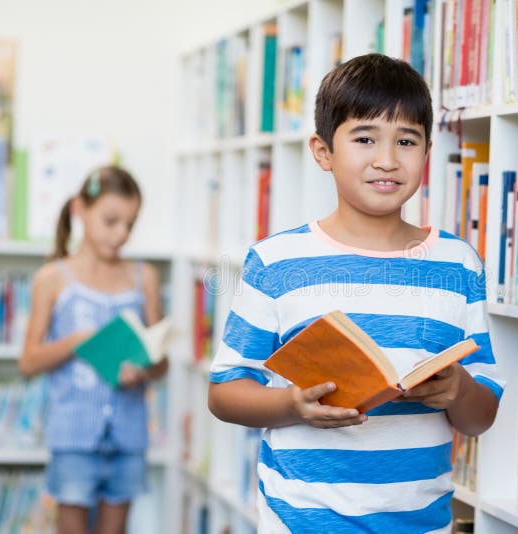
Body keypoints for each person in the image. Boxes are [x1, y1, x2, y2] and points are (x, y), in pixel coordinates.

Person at [207, 53, 503, 533]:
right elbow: (224, 393)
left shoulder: (457, 264)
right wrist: (292, 406)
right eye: (365, 138)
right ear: (323, 152)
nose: (387, 159)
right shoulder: (277, 261)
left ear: (427, 152)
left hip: (420, 524)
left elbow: (481, 415)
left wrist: (457, 390)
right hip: (300, 522)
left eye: (406, 141)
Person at [19, 165, 168, 534]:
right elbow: (28, 363)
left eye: (130, 225)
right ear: (80, 210)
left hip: (129, 435)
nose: (121, 234)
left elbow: (159, 361)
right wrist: (77, 341)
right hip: (73, 436)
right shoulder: (53, 279)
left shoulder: (143, 277)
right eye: (111, 221)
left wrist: (144, 369)